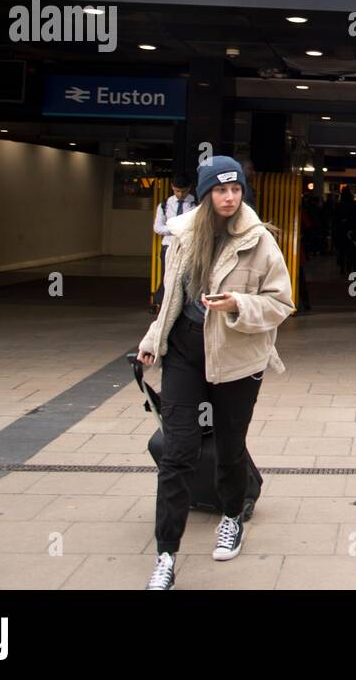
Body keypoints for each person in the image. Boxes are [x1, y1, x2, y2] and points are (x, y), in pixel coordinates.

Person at [136, 156, 294, 590]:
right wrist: (152, 342)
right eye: (220, 190)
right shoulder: (185, 235)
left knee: (228, 447)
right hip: (186, 350)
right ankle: (166, 553)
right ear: (206, 194)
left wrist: (239, 305)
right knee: (178, 450)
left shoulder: (260, 241)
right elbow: (171, 298)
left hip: (236, 356)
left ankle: (230, 516)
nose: (229, 197)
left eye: (236, 189)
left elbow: (282, 303)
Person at [153, 177, 196, 308]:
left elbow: (195, 227)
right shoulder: (164, 205)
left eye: (183, 191)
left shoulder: (196, 204)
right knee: (167, 276)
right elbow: (157, 228)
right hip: (169, 246)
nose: (180, 194)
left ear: (189, 188)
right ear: (172, 187)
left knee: (186, 277)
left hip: (188, 246)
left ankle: (183, 305)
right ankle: (163, 304)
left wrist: (173, 228)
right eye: (177, 191)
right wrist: (177, 229)